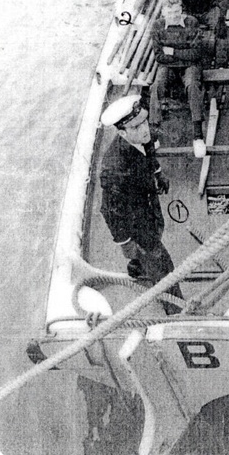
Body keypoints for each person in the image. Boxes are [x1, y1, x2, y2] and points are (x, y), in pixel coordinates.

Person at [99, 94, 183, 313]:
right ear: (122, 132)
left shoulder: (143, 137)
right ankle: (176, 309)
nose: (145, 129)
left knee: (153, 237)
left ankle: (137, 267)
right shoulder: (114, 168)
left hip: (147, 206)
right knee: (163, 267)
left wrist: (157, 173)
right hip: (136, 223)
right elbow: (109, 210)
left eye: (145, 121)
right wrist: (126, 243)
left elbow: (149, 153)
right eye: (136, 127)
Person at [150, 0, 206, 158]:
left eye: (176, 11)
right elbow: (159, 56)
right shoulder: (157, 26)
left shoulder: (191, 22)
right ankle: (153, 133)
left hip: (190, 66)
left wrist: (173, 52)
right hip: (168, 66)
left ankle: (197, 136)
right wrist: (183, 53)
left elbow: (196, 53)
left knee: (192, 86)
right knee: (157, 87)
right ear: (163, 12)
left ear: (181, 10)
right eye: (170, 12)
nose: (174, 15)